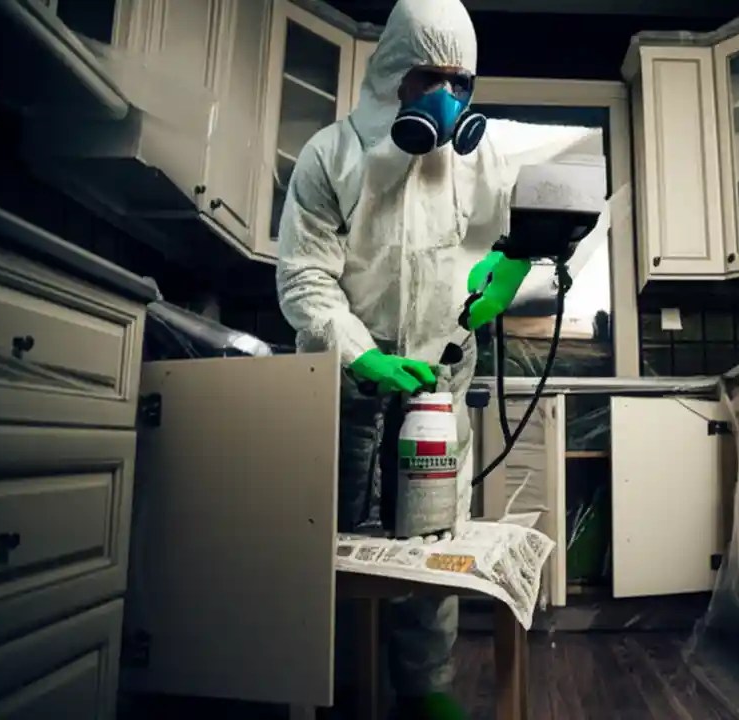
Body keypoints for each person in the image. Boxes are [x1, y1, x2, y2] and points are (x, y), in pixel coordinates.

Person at [275, 0, 599, 716]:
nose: (450, 98)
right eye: (432, 77)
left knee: (433, 546)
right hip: (343, 392)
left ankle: (426, 690)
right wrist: (360, 355)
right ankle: (334, 689)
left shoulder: (476, 158)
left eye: (464, 82)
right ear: (394, 73)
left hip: (436, 389)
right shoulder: (333, 155)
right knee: (328, 548)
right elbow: (304, 277)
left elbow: (529, 228)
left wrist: (513, 267)